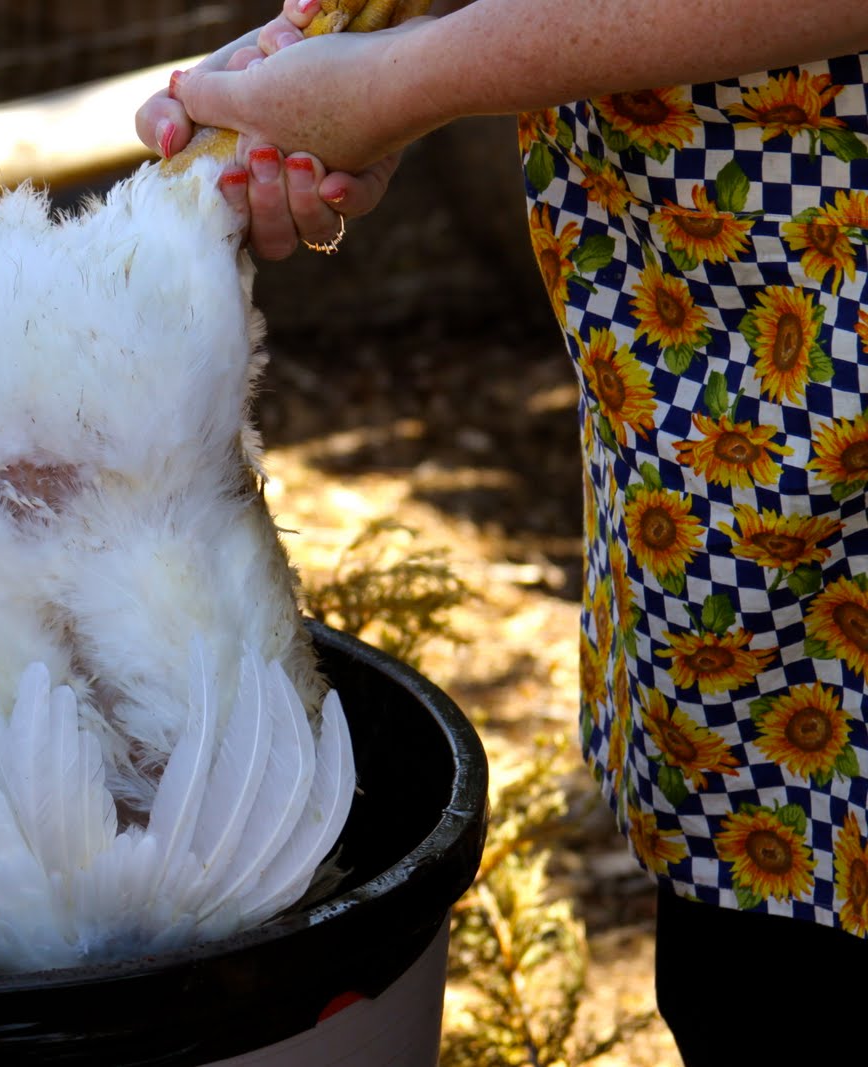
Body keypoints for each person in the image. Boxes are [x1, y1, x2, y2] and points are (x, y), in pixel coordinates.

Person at [138, 3, 868, 1064]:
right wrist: (365, 33)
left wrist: (405, 78)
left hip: (818, 356)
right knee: (752, 977)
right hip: (721, 400)